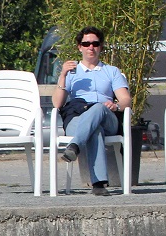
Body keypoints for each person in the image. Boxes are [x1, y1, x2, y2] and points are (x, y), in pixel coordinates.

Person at [51, 26, 131, 196]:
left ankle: (74, 146)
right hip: (78, 118)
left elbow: (125, 100)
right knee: (95, 129)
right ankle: (99, 184)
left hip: (106, 115)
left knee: (98, 108)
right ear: (79, 46)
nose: (91, 47)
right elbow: (57, 103)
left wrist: (116, 106)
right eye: (86, 43)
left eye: (95, 43)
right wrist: (63, 75)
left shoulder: (111, 71)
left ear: (101, 46)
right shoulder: (71, 73)